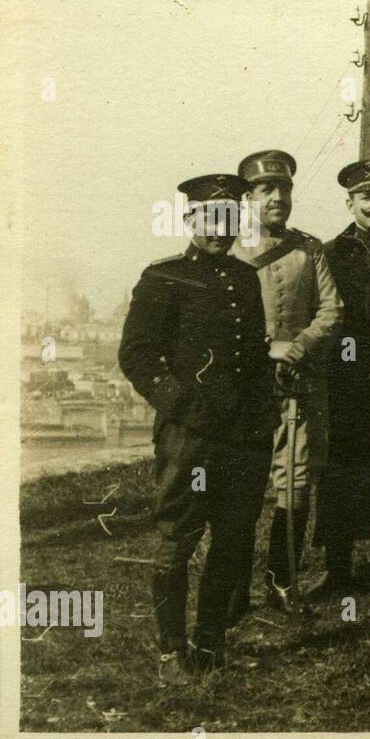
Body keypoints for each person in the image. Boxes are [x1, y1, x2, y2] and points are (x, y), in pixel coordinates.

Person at [119, 173, 279, 681]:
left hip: (244, 435)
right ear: (190, 219)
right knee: (178, 538)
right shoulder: (162, 277)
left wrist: (264, 407)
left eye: (229, 218)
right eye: (210, 217)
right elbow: (137, 355)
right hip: (190, 436)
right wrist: (181, 404)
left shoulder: (244, 277)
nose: (220, 228)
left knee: (234, 538)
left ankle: (211, 645)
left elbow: (252, 355)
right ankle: (171, 652)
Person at [231, 150, 342, 613]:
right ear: (246, 197)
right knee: (237, 484)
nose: (278, 197)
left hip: (298, 384)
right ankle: (233, 587)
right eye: (266, 189)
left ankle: (282, 580)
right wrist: (263, 351)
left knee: (294, 481)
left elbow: (331, 310)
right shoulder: (229, 251)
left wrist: (298, 348)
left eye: (285, 189)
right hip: (244, 388)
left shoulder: (308, 249)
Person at [310, 159, 370, 601]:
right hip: (344, 378)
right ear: (350, 203)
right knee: (341, 467)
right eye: (365, 197)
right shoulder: (331, 252)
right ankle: (338, 567)